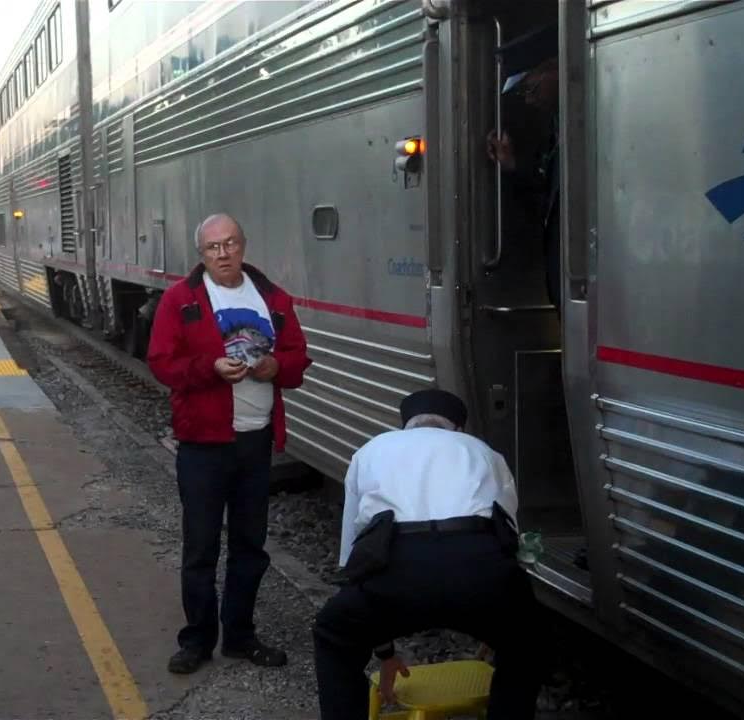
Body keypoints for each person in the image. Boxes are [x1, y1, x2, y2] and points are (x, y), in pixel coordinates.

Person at [312, 389, 548, 719]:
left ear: (406, 425)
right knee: (528, 642)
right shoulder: (484, 452)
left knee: (333, 633)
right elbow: (508, 535)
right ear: (458, 429)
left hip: (397, 568)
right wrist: (499, 618)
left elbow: (354, 559)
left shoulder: (372, 450)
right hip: (477, 564)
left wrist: (385, 651)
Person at [146, 213, 312, 674]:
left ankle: (239, 636)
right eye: (213, 247)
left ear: (243, 246)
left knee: (250, 546)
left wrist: (276, 367)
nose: (223, 253)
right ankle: (197, 640)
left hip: (254, 443)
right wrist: (209, 368)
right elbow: (162, 362)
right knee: (200, 547)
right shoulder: (181, 299)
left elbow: (299, 357)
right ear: (201, 254)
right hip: (203, 443)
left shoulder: (273, 298)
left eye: (230, 244)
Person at [486, 24, 562, 310]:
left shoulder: (581, 123)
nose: (529, 100)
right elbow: (547, 197)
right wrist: (512, 165)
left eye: (530, 87)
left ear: (554, 67)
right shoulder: (557, 129)